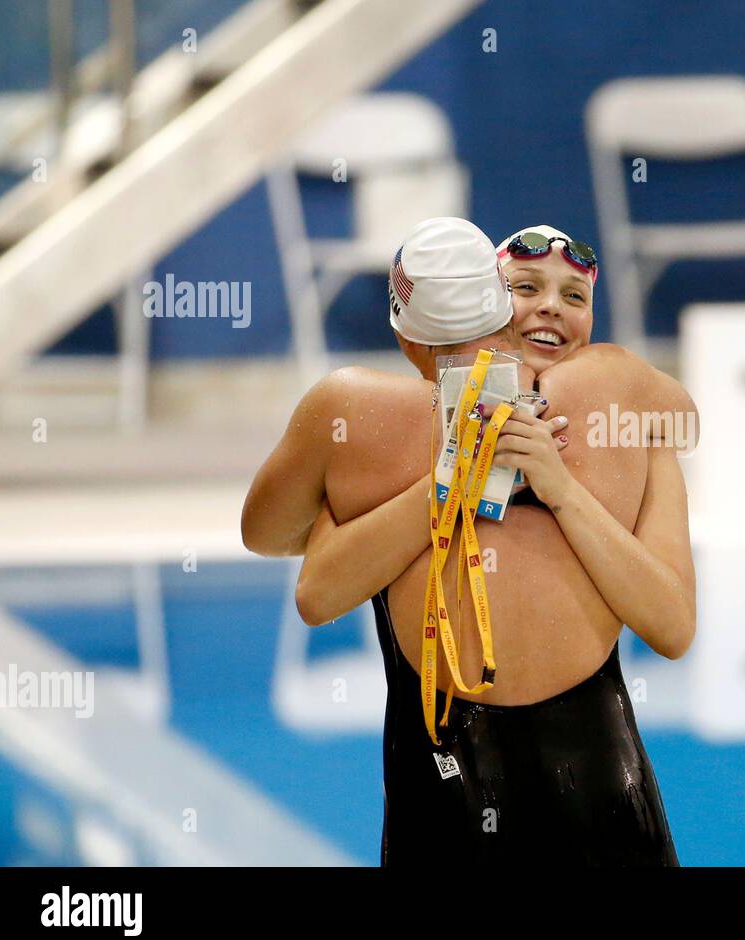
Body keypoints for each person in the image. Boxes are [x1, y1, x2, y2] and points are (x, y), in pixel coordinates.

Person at [242, 217, 697, 865]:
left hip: (465, 785)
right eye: (528, 289)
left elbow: (275, 547)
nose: (548, 309)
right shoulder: (629, 408)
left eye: (573, 296)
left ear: (403, 331)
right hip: (574, 789)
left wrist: (550, 488)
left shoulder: (351, 420)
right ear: (500, 311)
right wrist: (455, 483)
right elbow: (316, 593)